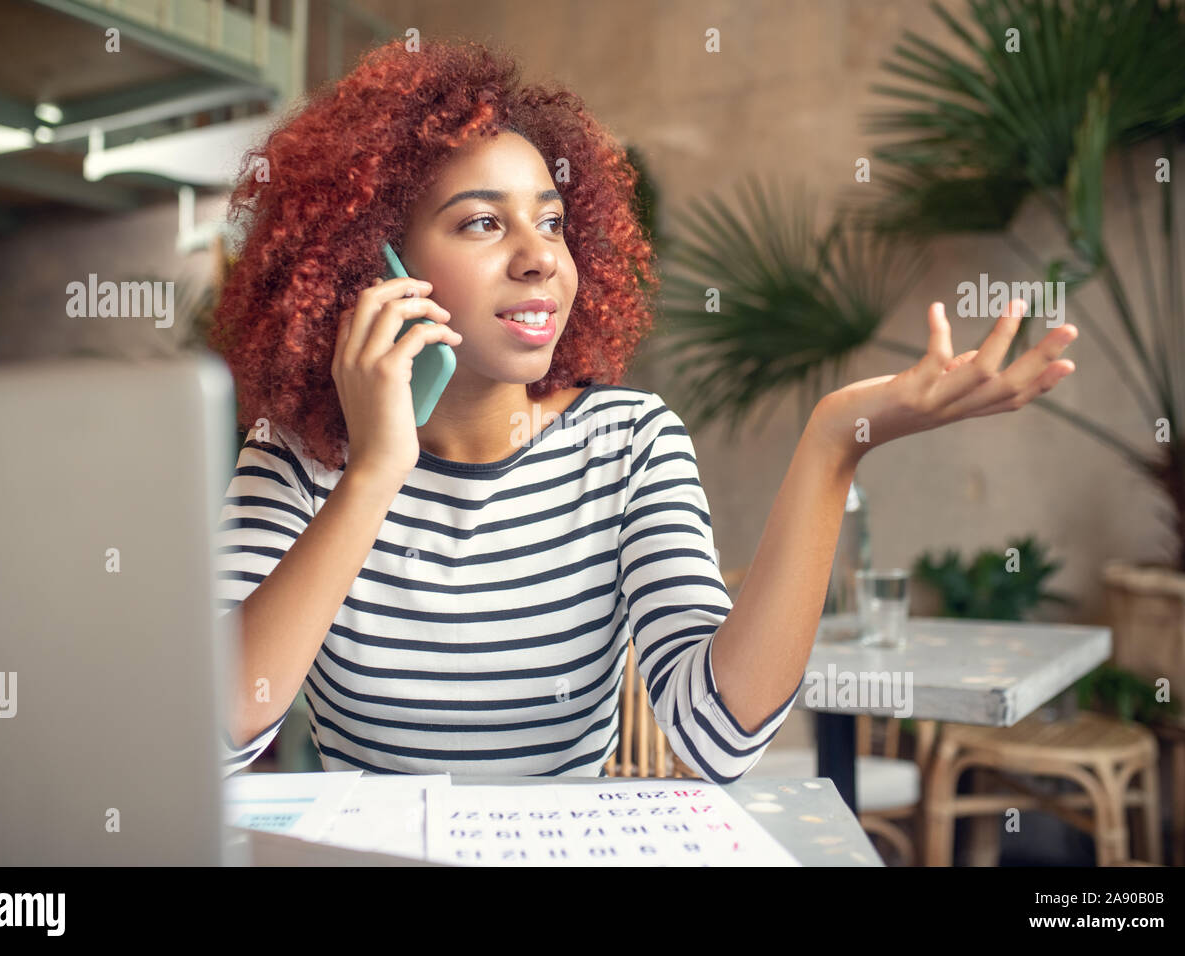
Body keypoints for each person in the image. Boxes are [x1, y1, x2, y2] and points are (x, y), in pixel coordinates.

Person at [209, 38, 1076, 781]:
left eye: (551, 224)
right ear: (375, 264)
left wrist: (832, 444)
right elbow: (211, 737)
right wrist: (372, 472)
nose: (539, 259)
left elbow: (718, 735)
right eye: (481, 224)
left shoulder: (629, 444)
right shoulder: (293, 458)